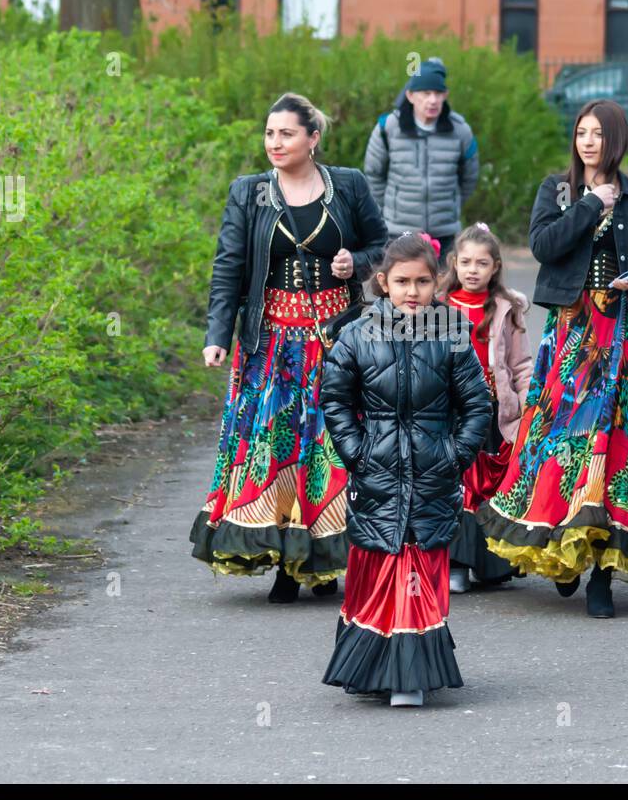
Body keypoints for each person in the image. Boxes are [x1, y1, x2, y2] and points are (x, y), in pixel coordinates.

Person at [475, 99, 628, 618]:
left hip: (622, 334)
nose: (588, 140)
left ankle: (604, 574)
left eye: (597, 132)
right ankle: (564, 548)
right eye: (581, 131)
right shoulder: (557, 190)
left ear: (615, 139)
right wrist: (591, 204)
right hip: (570, 336)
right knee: (558, 444)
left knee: (616, 447)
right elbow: (545, 246)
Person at [190, 92, 389, 603]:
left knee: (331, 447)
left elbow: (382, 246)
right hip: (271, 343)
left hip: (337, 339)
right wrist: (217, 335)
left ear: (313, 138)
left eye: (287, 134)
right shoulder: (249, 191)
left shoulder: (347, 184)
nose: (275, 143)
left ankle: (324, 558)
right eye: (269, 133)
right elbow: (228, 268)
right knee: (283, 449)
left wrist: (356, 263)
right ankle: (285, 560)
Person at [320, 232, 492, 706]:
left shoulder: (452, 332)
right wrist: (356, 451)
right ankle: (369, 667)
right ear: (383, 282)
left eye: (422, 282)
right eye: (401, 282)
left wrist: (455, 455)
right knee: (377, 568)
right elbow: (335, 399)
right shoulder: (355, 333)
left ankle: (409, 676)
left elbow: (477, 404)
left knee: (418, 569)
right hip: (375, 469)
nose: (412, 292)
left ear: (437, 281)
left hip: (434, 470)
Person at [440, 222, 533, 593]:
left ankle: (492, 565)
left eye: (481, 263)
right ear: (454, 264)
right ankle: (456, 564)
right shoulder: (440, 306)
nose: (473, 270)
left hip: (494, 410)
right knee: (458, 484)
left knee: (490, 484)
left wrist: (527, 402)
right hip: (451, 410)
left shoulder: (505, 309)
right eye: (466, 262)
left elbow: (521, 363)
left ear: (495, 267)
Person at [363, 58, 479, 264]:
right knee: (403, 291)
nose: (433, 100)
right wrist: (389, 209)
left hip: (445, 234)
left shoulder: (460, 130)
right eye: (426, 93)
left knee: (442, 291)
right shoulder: (387, 127)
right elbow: (373, 174)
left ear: (445, 95)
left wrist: (452, 203)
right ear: (410, 95)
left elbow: (470, 176)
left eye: (438, 93)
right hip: (399, 232)